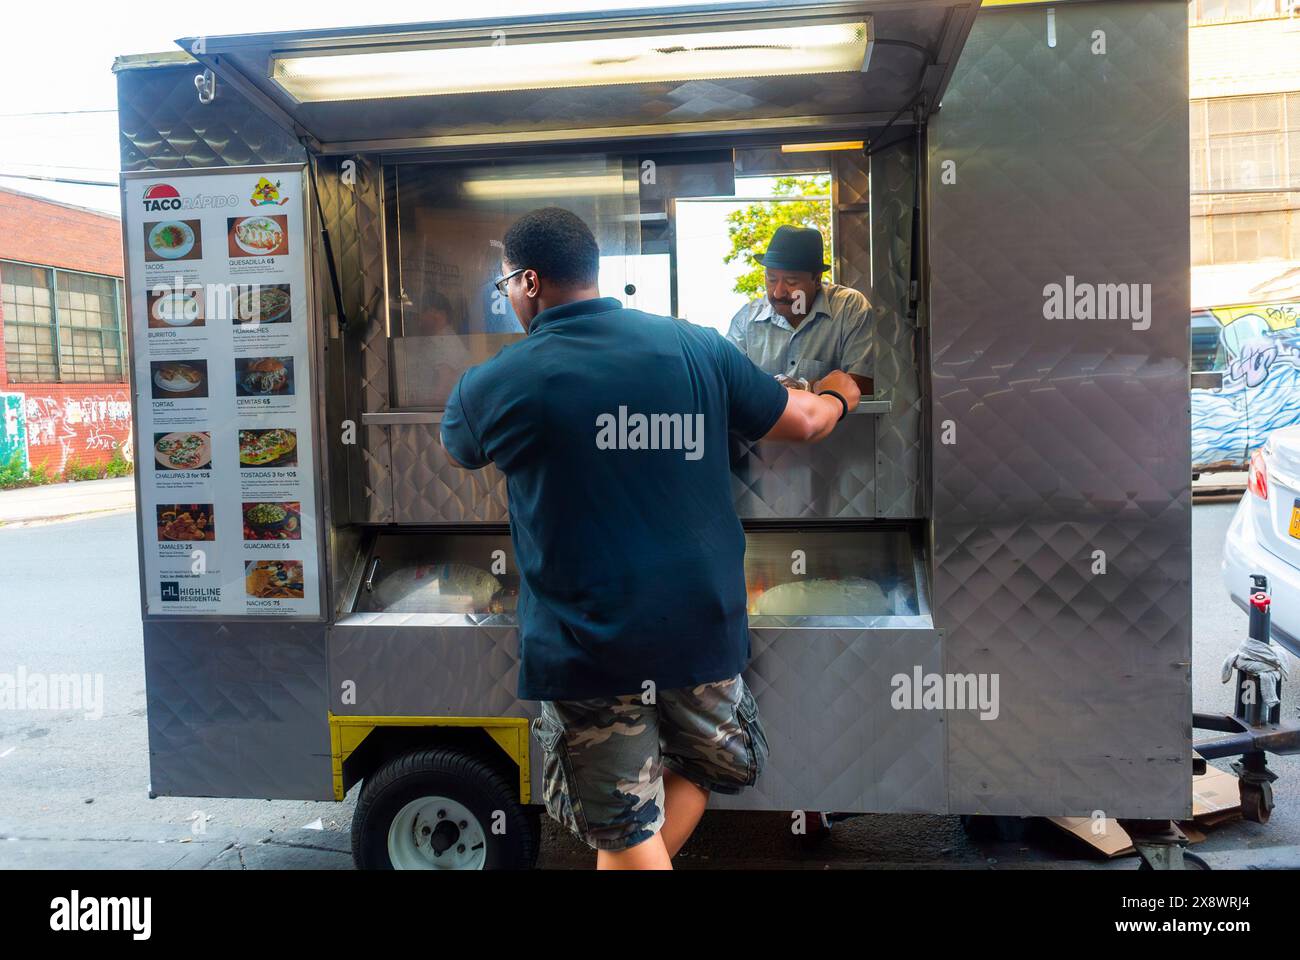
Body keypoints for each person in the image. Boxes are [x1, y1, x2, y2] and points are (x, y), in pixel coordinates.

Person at [440, 206, 860, 870]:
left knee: (627, 831)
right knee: (707, 767)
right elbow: (805, 421)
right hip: (700, 625)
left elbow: (461, 450)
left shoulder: (497, 381)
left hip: (590, 644)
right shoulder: (698, 346)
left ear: (528, 282)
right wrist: (839, 392)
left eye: (505, 287)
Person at [726, 224, 874, 396]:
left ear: (817, 280)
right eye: (771, 279)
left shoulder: (850, 308)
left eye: (791, 282)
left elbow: (864, 382)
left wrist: (807, 388)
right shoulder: (746, 319)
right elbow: (726, 379)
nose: (778, 292)